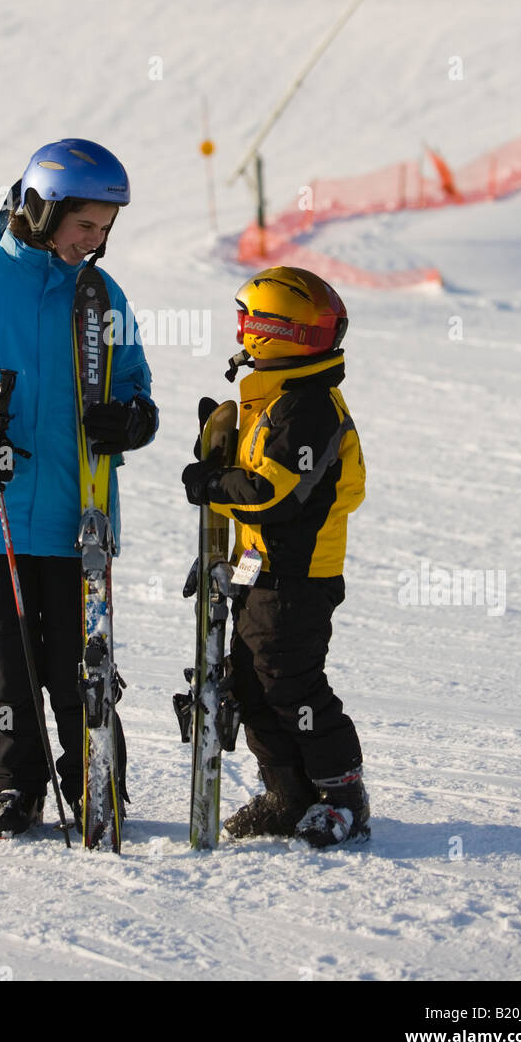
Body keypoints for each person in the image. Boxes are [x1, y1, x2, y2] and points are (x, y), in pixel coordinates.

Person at [0, 139, 157, 837]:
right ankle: (13, 788)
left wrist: (133, 417)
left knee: (80, 668)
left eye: (106, 229)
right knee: (7, 673)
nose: (95, 241)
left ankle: (94, 782)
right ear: (42, 210)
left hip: (78, 520)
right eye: (85, 226)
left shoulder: (101, 295)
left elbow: (135, 381)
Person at [181, 266, 369, 847]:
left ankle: (341, 797)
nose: (240, 333)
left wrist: (212, 484)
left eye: (246, 322)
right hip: (263, 571)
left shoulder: (308, 407)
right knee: (249, 683)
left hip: (299, 577)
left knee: (290, 682)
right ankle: (288, 795)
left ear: (271, 331)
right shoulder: (277, 400)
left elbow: (271, 494)